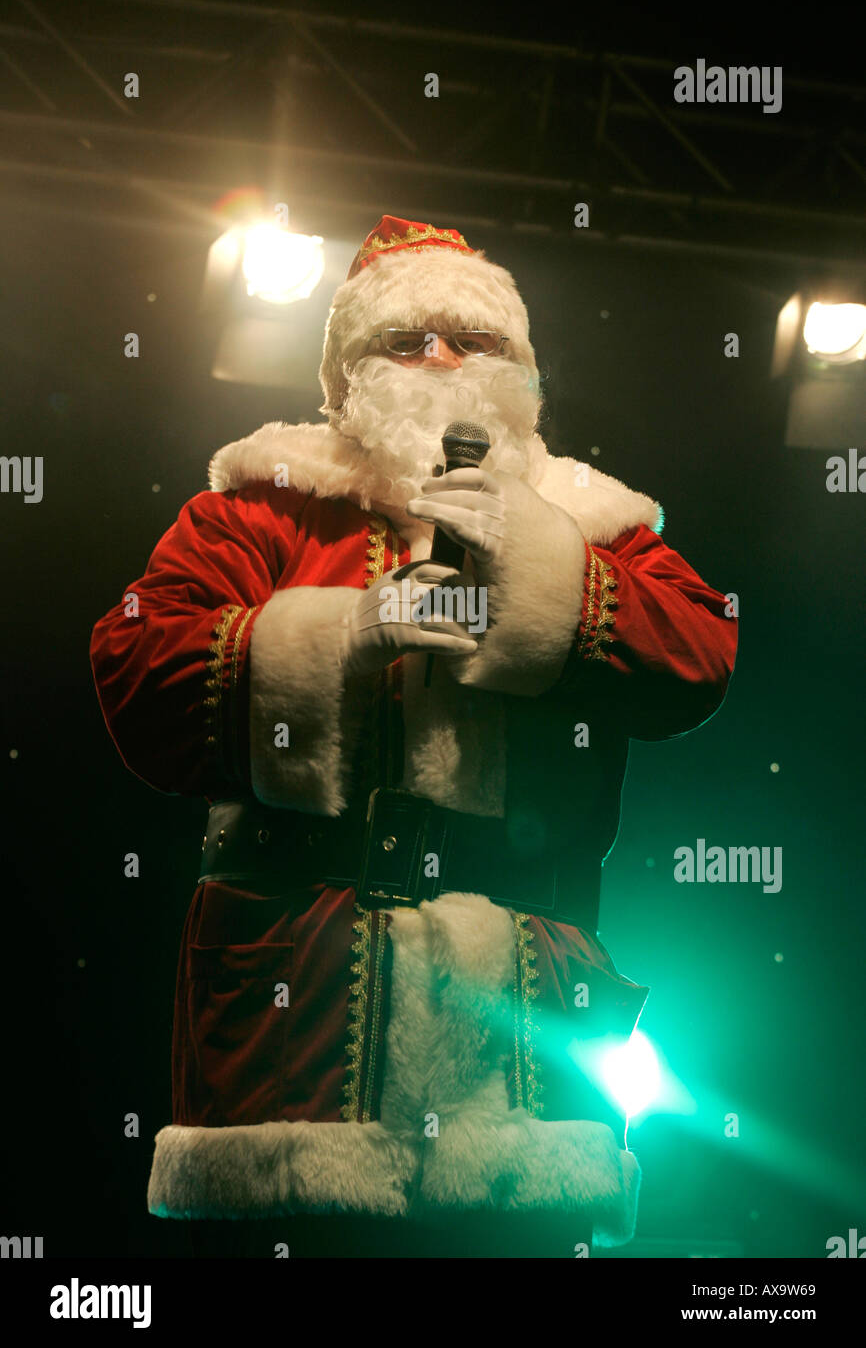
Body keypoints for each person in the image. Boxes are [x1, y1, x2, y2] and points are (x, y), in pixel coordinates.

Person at [90, 214, 738, 1258]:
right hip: (295, 1027)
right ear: (346, 371)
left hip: (524, 1032)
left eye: (469, 340)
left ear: (519, 368)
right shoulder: (261, 506)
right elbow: (136, 665)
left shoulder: (591, 519)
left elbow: (698, 656)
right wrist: (347, 631)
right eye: (405, 340)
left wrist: (544, 572)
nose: (438, 360)